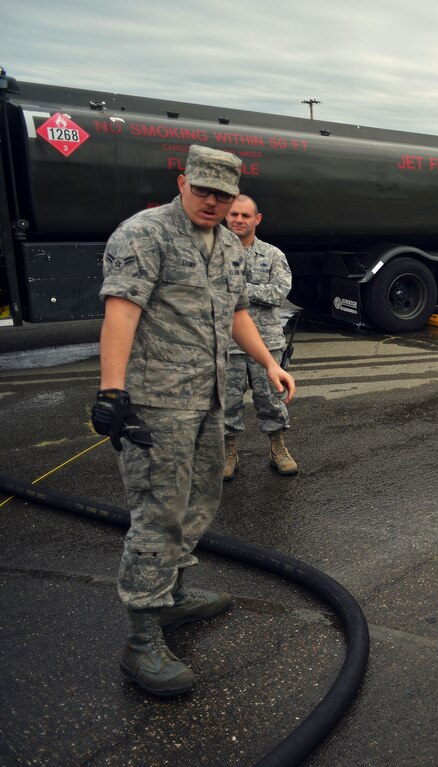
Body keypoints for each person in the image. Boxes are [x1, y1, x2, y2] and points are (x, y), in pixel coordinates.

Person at [91, 145, 296, 697]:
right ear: (181, 182)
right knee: (157, 513)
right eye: (203, 190)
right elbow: (121, 311)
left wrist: (270, 363)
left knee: (200, 500)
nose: (212, 202)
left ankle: (175, 598)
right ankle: (141, 642)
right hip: (155, 406)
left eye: (223, 195)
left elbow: (236, 315)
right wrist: (112, 391)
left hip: (206, 399)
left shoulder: (228, 244)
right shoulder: (143, 234)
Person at [223, 195, 297, 480]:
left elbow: (279, 292)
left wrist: (239, 289)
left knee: (271, 401)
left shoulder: (273, 255)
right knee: (226, 403)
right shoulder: (214, 254)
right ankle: (229, 452)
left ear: (257, 219)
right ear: (226, 217)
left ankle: (278, 449)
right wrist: (256, 291)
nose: (239, 220)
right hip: (227, 345)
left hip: (267, 344)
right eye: (233, 215)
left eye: (245, 215)